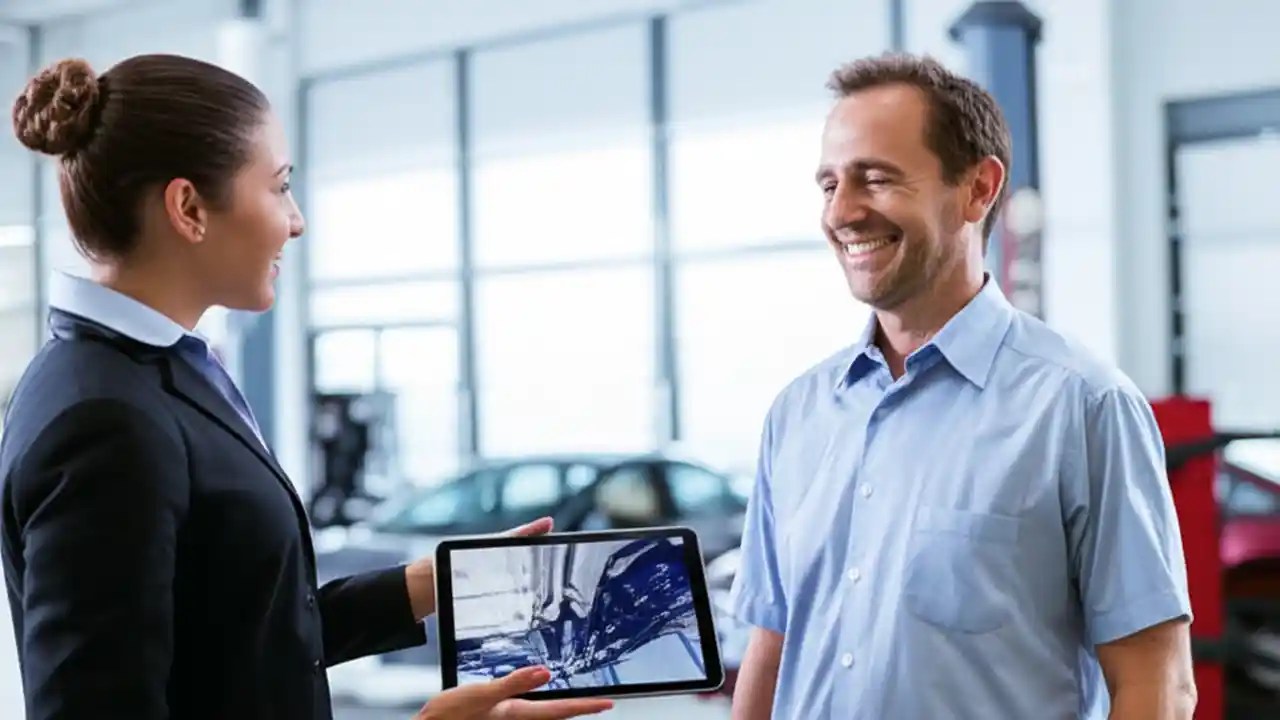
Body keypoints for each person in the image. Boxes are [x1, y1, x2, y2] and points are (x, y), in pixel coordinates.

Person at [0, 54, 613, 720]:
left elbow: (237, 640)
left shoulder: (152, 372)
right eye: (279, 186)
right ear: (188, 207)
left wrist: (437, 583)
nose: (296, 220)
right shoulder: (105, 418)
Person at [728, 53, 1197, 720]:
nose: (844, 212)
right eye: (830, 185)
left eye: (877, 179)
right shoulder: (797, 414)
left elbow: (1157, 683)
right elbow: (772, 648)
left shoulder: (1080, 405)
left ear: (979, 188)